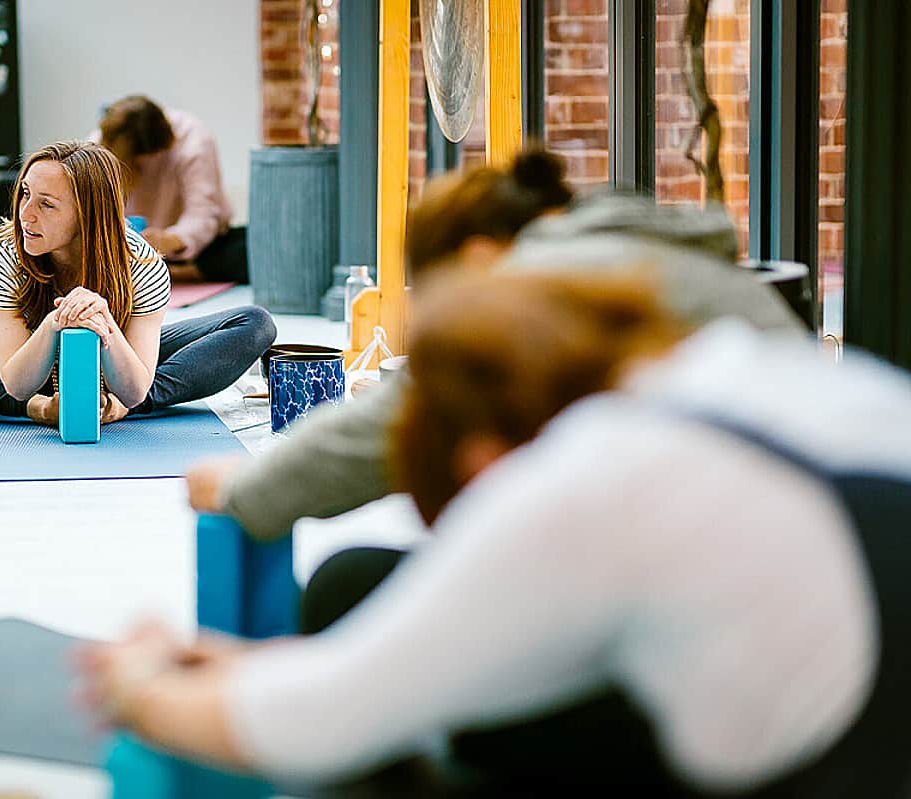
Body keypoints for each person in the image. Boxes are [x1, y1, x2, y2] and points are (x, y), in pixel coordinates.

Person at [74, 269, 911, 797]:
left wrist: (136, 684)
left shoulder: (586, 482)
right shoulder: (732, 367)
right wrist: (252, 665)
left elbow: (312, 726)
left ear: (478, 460)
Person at [184, 181, 805, 545]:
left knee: (353, 579)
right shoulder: (671, 265)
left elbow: (379, 430)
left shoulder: (542, 283)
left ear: (477, 259)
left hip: (749, 570)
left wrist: (242, 490)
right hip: (826, 539)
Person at [0, 140, 275, 424]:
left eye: (46, 204)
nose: (25, 214)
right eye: (25, 194)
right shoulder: (2, 258)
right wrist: (53, 324)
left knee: (255, 324)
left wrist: (108, 334)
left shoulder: (141, 262)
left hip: (117, 362)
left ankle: (110, 408)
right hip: (31, 362)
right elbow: (15, 381)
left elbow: (135, 386)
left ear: (88, 215)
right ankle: (41, 410)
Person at [90, 95, 246, 283]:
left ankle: (179, 272)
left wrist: (169, 240)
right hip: (130, 254)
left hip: (195, 248)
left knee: (247, 246)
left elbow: (203, 214)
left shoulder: (193, 139)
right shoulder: (98, 144)